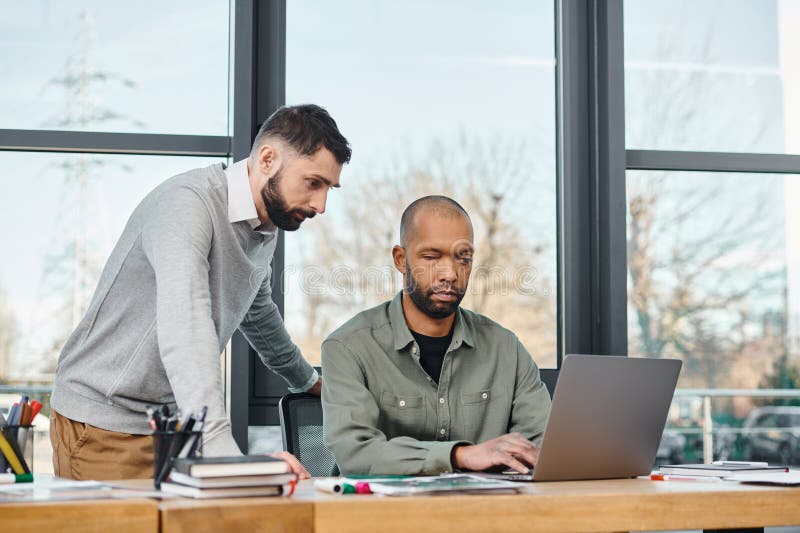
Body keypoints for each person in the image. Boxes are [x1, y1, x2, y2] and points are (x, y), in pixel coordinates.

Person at [50, 104, 351, 480]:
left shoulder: (264, 227)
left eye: (329, 188)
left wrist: (306, 380)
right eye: (313, 183)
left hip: (171, 427)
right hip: (104, 423)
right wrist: (224, 452)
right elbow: (186, 329)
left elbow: (257, 313)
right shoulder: (188, 204)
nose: (321, 205)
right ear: (268, 159)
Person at [322, 195, 551, 476]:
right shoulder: (348, 347)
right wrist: (460, 456)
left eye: (463, 258)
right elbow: (356, 453)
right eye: (431, 257)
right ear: (401, 259)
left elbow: (542, 446)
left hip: (483, 515)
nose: (450, 273)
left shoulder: (506, 348)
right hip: (385, 516)